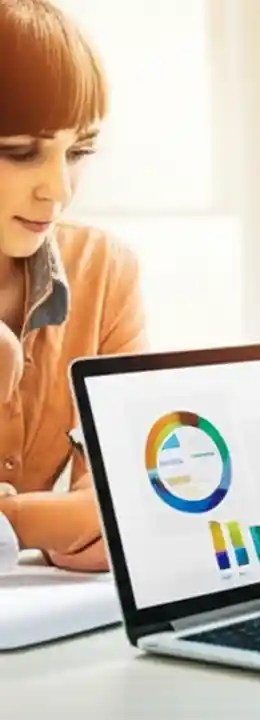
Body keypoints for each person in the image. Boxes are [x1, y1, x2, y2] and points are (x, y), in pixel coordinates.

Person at [0, 0, 147, 573]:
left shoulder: (104, 270)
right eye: (18, 152)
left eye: (78, 151)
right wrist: (49, 521)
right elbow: (89, 518)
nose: (57, 191)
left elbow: (124, 505)